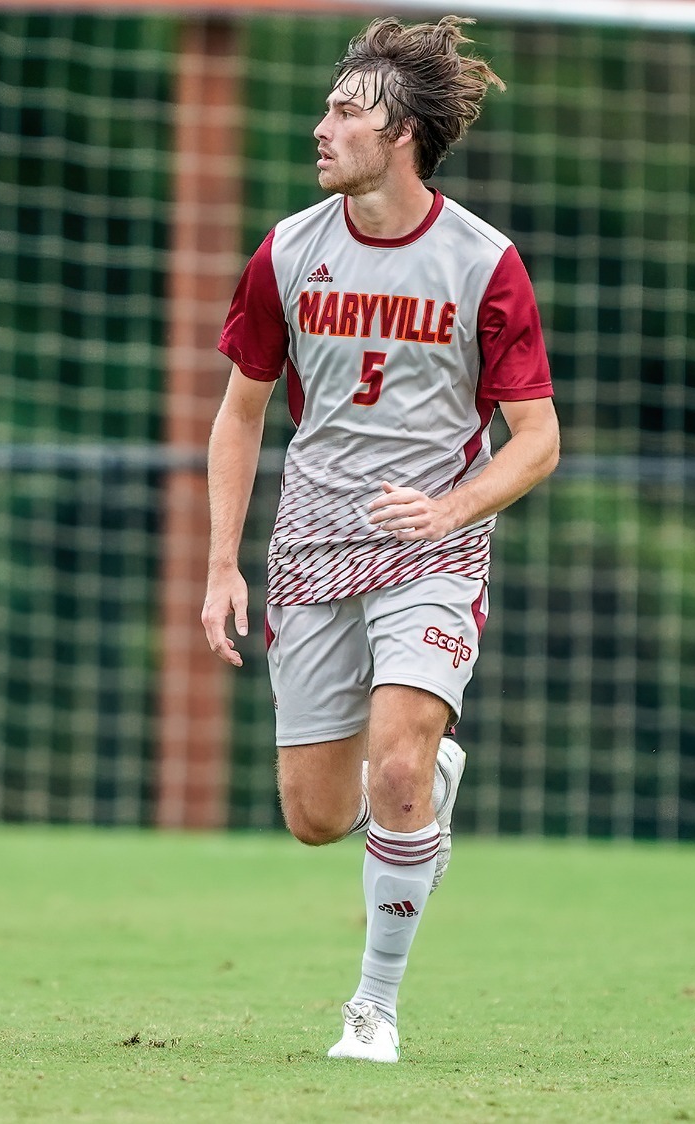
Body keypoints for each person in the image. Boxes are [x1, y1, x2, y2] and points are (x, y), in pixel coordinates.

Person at [201, 15, 560, 1063]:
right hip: (311, 544)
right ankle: (416, 795)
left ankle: (372, 1009)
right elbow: (238, 413)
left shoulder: (483, 263)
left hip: (433, 548)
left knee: (394, 768)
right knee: (318, 817)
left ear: (400, 132)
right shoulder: (288, 250)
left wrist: (453, 512)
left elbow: (534, 442)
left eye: (344, 112)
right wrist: (220, 563)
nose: (319, 128)